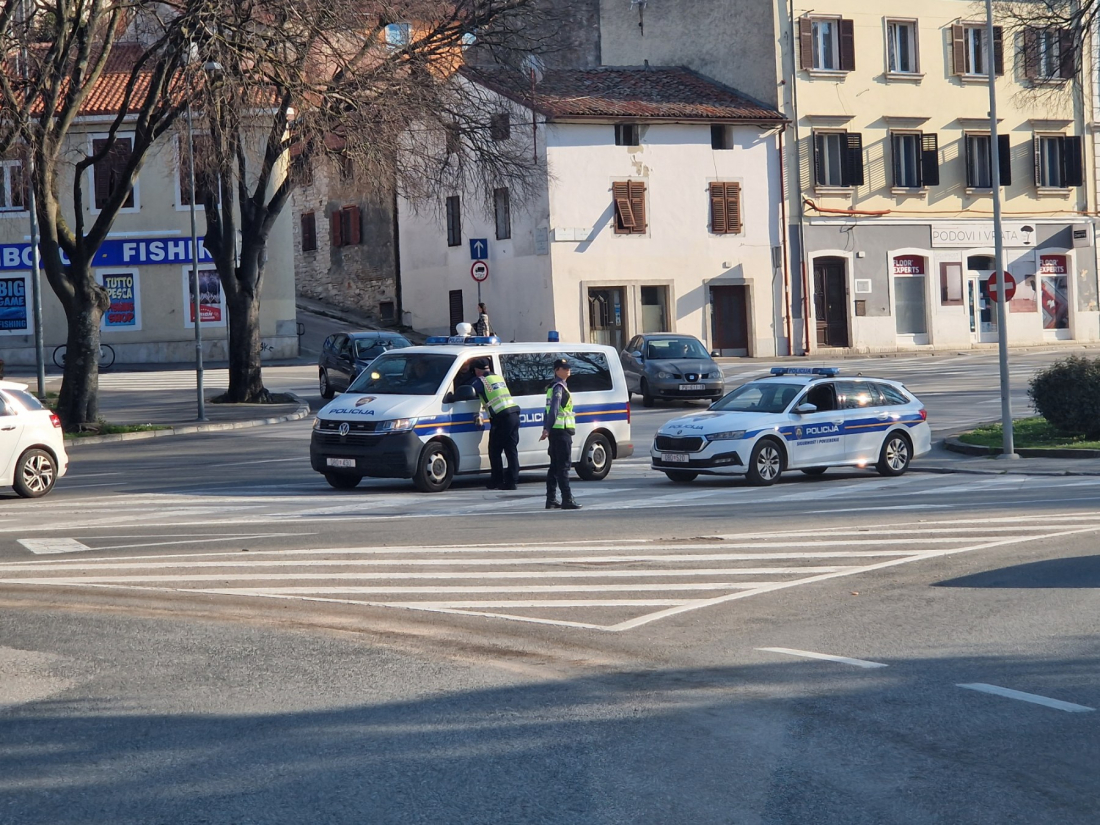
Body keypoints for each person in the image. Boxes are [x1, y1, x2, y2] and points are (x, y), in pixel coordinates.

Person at [471, 358, 521, 490]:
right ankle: (512, 481)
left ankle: (496, 481)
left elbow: (469, 391)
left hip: (502, 418)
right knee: (511, 450)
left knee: (495, 450)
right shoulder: (498, 378)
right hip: (514, 415)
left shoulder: (480, 380)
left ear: (477, 370)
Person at [539, 358, 580, 510]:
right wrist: (547, 429)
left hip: (555, 432)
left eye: (568, 367)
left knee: (554, 466)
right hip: (561, 432)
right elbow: (554, 410)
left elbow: (547, 411)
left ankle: (551, 499)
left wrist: (546, 429)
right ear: (557, 370)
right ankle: (567, 499)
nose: (568, 369)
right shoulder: (558, 387)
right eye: (564, 368)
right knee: (563, 467)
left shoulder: (552, 387)